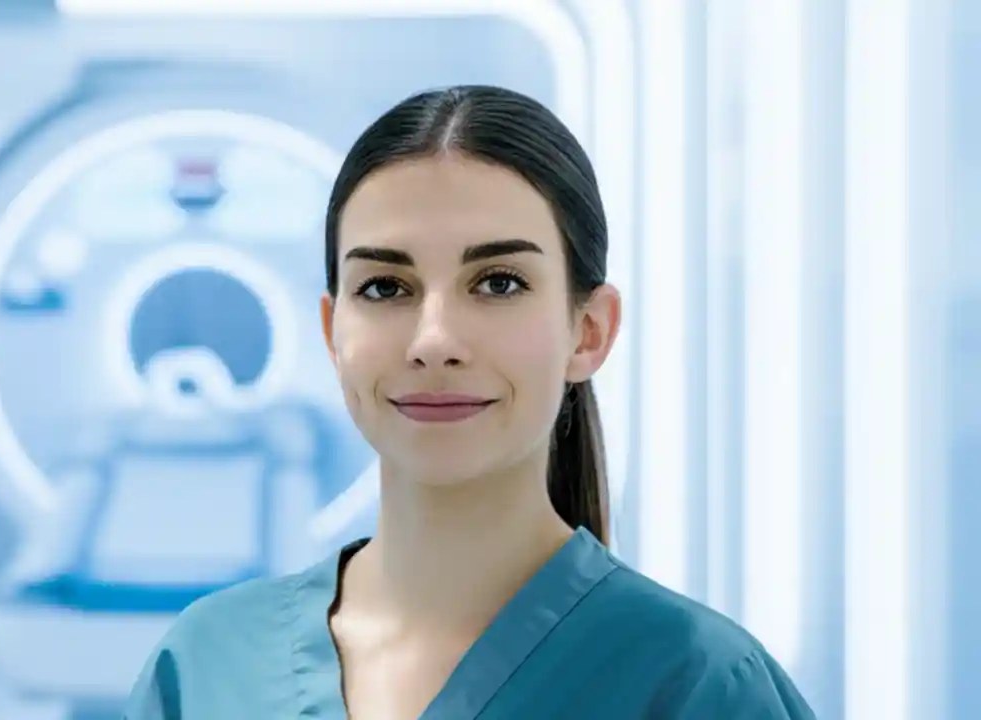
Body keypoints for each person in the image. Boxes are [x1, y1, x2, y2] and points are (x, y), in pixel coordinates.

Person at [121, 85, 816, 719]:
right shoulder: (210, 668)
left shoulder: (697, 685)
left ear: (589, 331)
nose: (434, 341)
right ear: (334, 333)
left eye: (499, 284)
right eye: (386, 288)